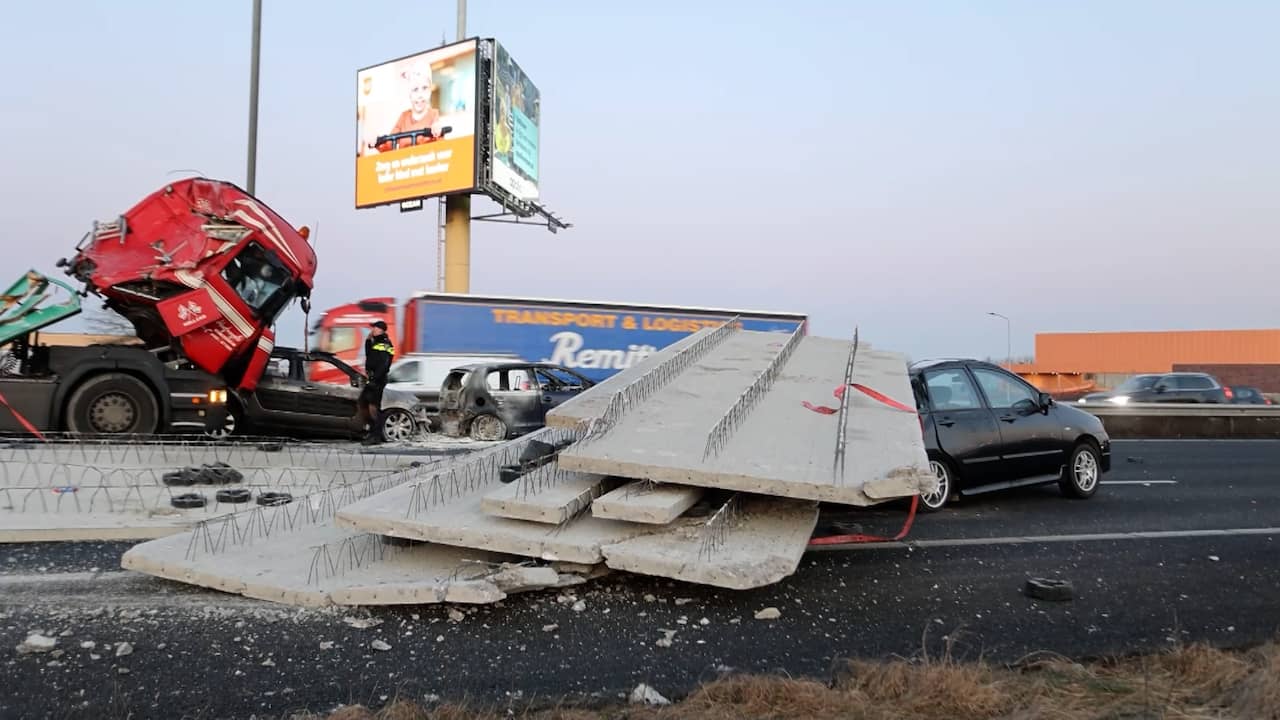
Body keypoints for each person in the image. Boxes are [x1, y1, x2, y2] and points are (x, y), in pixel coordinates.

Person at [372, 58, 443, 153]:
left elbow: (440, 144)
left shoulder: (433, 114)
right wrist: (377, 141)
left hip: (426, 160)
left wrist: (438, 130)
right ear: (410, 95)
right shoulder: (404, 117)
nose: (420, 95)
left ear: (430, 91)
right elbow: (388, 146)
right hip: (405, 161)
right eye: (415, 89)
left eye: (425, 88)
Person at [359, 321, 395, 444]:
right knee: (363, 403)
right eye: (373, 327)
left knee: (373, 407)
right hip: (372, 378)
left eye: (376, 328)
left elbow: (384, 365)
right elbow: (369, 356)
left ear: (382, 330)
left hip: (378, 380)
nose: (373, 329)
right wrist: (367, 341)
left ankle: (376, 435)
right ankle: (371, 431)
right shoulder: (376, 342)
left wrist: (374, 379)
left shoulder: (385, 344)